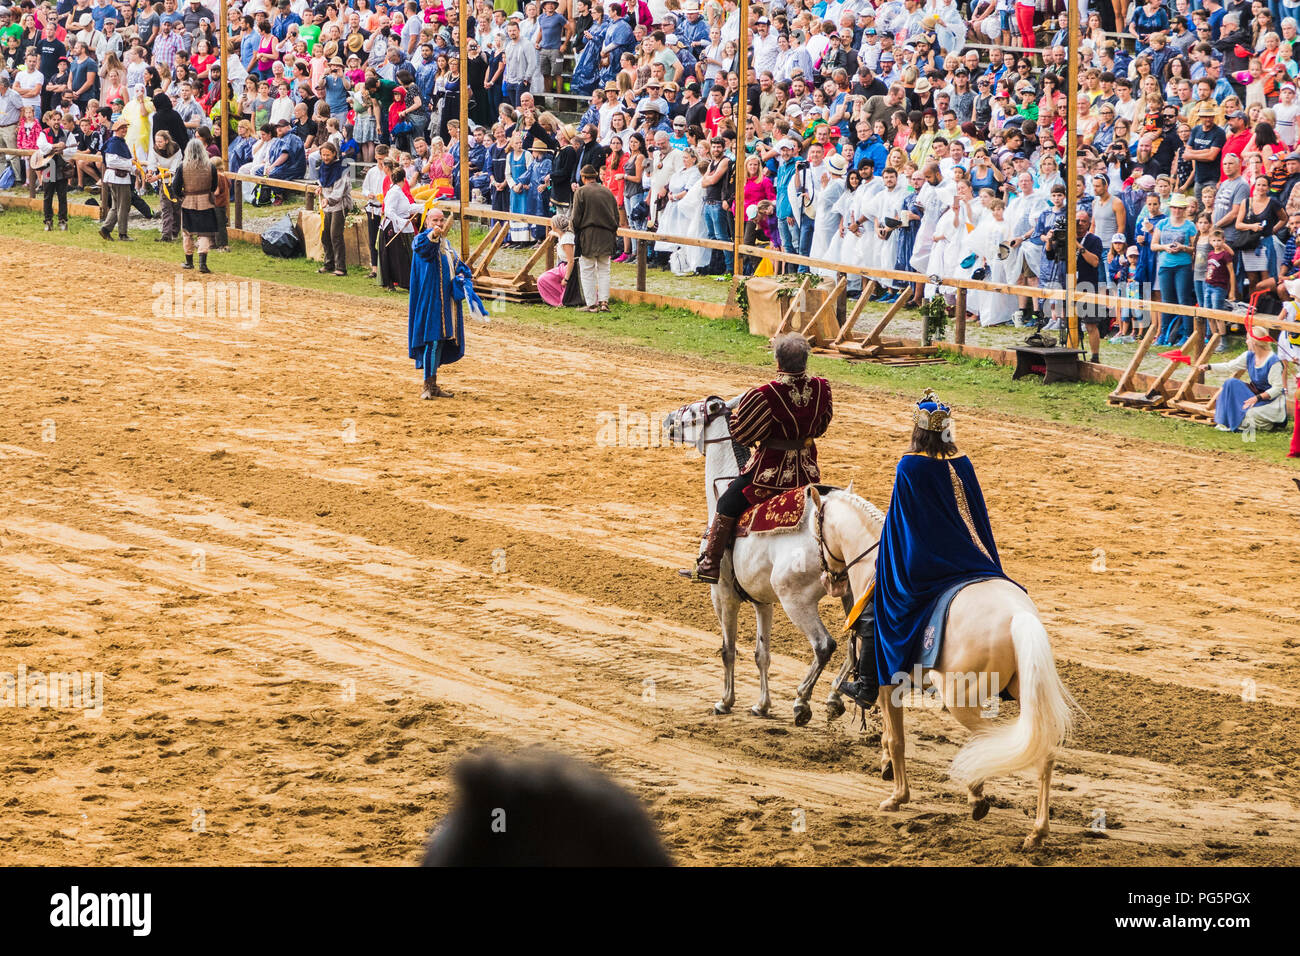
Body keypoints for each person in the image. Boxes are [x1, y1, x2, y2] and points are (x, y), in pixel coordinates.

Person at [836, 390, 1018, 707]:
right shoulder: (963, 463)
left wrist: (887, 568)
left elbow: (899, 526)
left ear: (917, 431)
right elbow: (977, 517)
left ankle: (867, 686)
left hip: (928, 563)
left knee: (874, 606)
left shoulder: (910, 466)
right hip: (972, 557)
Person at [679, 334, 832, 584]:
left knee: (727, 502)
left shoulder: (764, 394)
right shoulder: (822, 388)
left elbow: (742, 433)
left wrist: (734, 417)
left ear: (777, 362)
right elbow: (823, 425)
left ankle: (710, 564)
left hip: (769, 474)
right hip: (808, 471)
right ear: (805, 360)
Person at [407, 208, 487, 400]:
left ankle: (433, 385)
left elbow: (458, 265)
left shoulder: (447, 244)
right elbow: (424, 248)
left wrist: (464, 277)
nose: (439, 224)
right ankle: (427, 385)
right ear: (426, 222)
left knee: (441, 340)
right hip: (431, 301)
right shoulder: (423, 240)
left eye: (442, 220)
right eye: (435, 220)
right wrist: (433, 234)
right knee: (432, 341)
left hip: (446, 303)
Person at [1201, 325, 1290, 432]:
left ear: (1255, 342)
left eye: (1248, 339)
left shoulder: (1273, 361)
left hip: (1270, 401)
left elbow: (1277, 389)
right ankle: (1224, 422)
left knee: (1250, 414)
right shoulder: (1249, 355)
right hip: (1255, 394)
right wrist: (1209, 367)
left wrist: (1257, 398)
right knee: (1230, 383)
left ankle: (1269, 424)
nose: (1246, 341)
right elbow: (1230, 366)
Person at [569, 163, 620, 313]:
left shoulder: (581, 192)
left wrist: (574, 231)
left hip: (588, 235)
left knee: (587, 269)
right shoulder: (607, 192)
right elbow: (616, 217)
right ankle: (604, 302)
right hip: (606, 235)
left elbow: (575, 217)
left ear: (583, 178)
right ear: (595, 176)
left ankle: (591, 304)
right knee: (604, 270)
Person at [174, 137, 220, 272]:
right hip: (206, 202)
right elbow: (214, 186)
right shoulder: (210, 166)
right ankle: (202, 264)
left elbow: (176, 187)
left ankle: (189, 262)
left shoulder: (183, 167)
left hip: (188, 202)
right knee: (204, 233)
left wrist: (182, 195)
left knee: (187, 233)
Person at [315, 141, 351, 276]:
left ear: (334, 154)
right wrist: (319, 187)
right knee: (325, 235)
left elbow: (338, 192)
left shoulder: (341, 169)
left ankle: (341, 267)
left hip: (339, 205)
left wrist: (328, 200)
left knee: (335, 235)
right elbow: (322, 181)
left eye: (328, 155)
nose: (325, 158)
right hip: (327, 206)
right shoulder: (323, 167)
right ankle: (328, 263)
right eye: (323, 155)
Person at [98, 117, 135, 240]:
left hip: (118, 178)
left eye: (125, 127)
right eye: (122, 128)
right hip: (118, 178)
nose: (124, 129)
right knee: (123, 206)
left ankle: (106, 229)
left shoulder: (118, 142)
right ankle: (122, 233)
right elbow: (112, 161)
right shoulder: (115, 143)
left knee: (116, 206)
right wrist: (130, 164)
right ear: (117, 129)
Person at [537, 213, 574, 306]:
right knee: (543, 279)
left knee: (546, 279)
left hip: (568, 267)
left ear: (556, 225)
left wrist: (566, 279)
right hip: (562, 266)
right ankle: (556, 299)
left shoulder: (567, 240)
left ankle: (561, 299)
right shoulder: (562, 234)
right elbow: (559, 234)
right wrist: (554, 233)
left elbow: (571, 261)